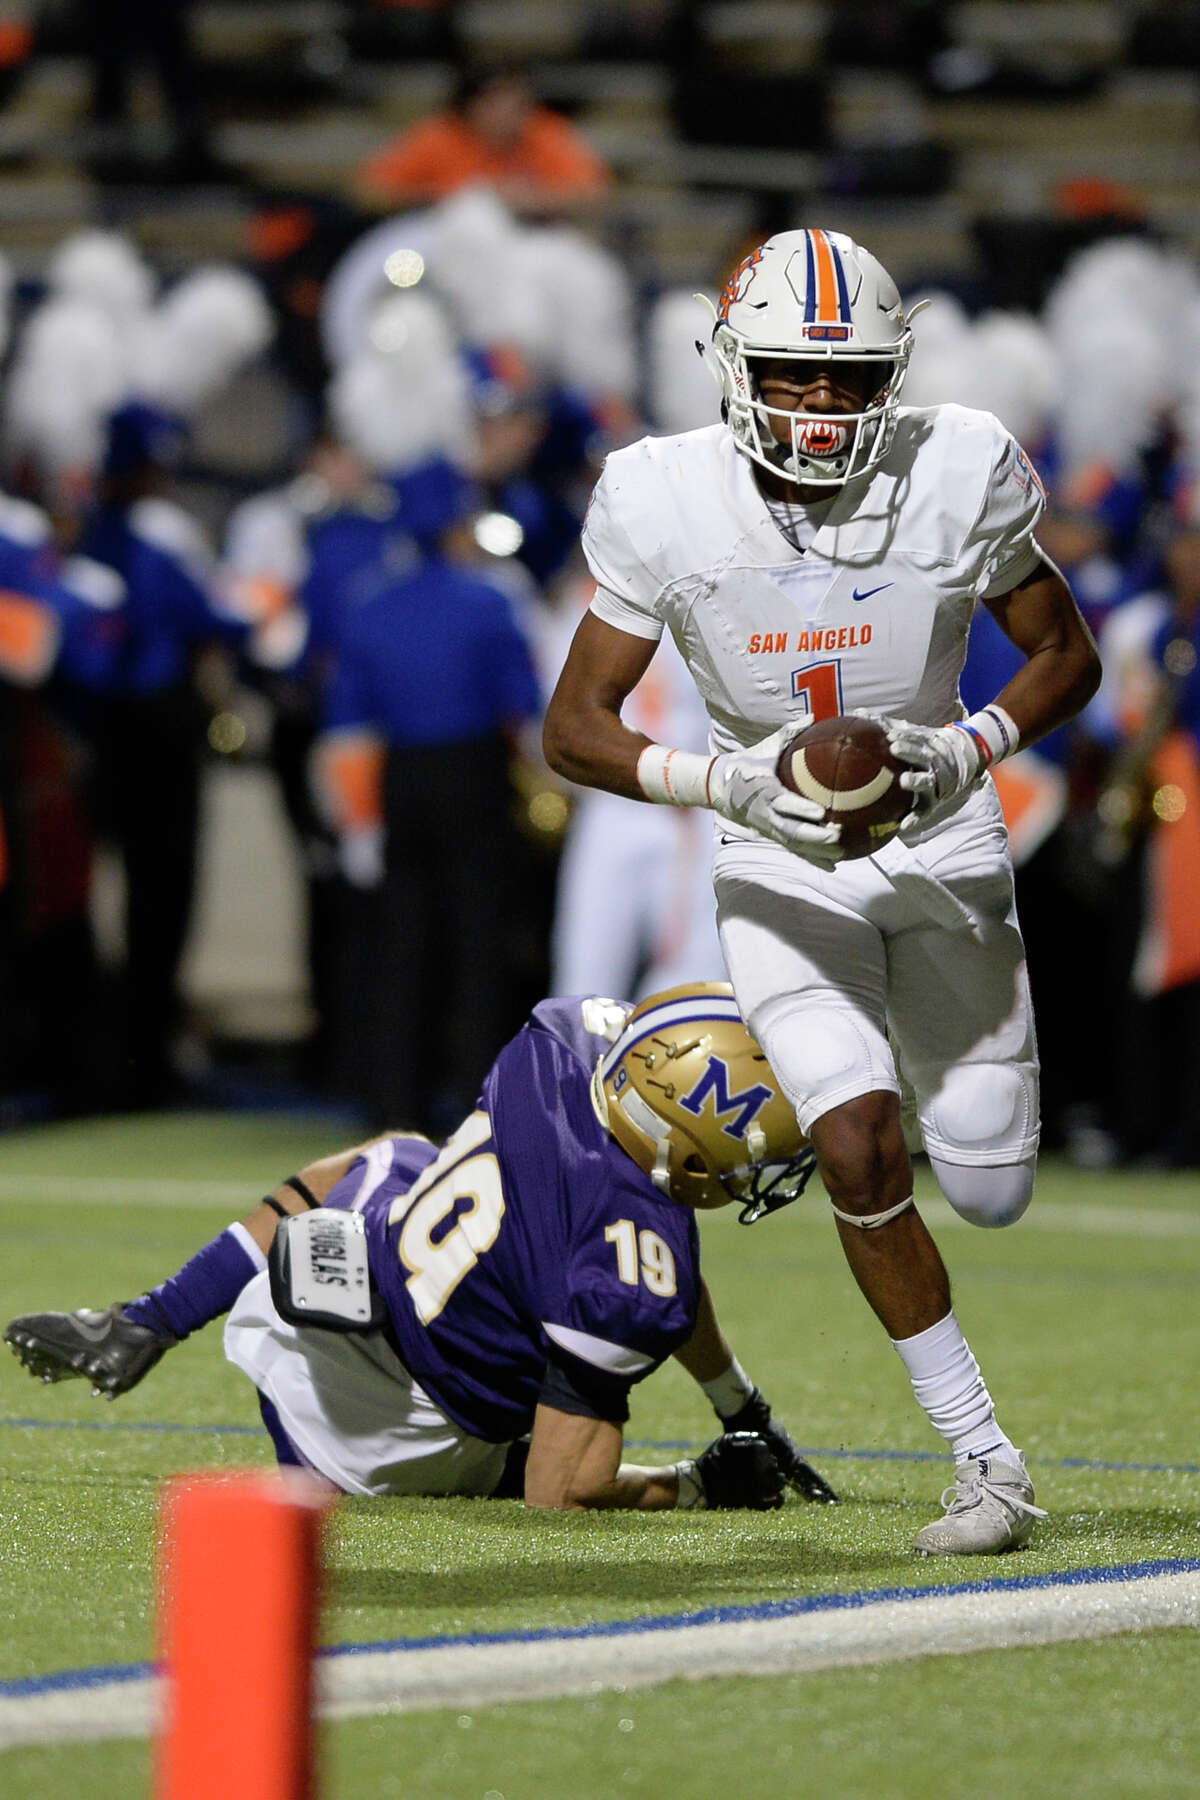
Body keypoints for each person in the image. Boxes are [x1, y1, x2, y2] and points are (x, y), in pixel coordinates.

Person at [543, 228, 1103, 1553]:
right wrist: (720, 782)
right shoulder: (659, 495)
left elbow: (1063, 654)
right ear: (736, 368)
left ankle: (972, 1090)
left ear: (891, 380)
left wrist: (967, 746)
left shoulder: (959, 467)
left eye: (849, 380)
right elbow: (575, 724)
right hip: (776, 856)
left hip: (946, 840)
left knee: (990, 1184)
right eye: (794, 374)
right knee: (855, 1142)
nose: (821, 405)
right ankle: (986, 1464)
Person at [5, 983, 838, 1513]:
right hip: (377, 1443)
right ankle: (469, 1458)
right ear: (684, 1148)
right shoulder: (629, 1266)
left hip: (335, 1304)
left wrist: (742, 1407)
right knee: (554, 1450)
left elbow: (670, 1272)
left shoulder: (561, 1044)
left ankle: (148, 1322)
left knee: (391, 1158)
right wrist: (696, 1486)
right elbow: (563, 1494)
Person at [355, 64, 611, 219]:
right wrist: (454, 198)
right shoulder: (439, 135)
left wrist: (525, 200)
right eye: (496, 104)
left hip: (530, 242)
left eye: (517, 104)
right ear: (470, 107)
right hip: (443, 240)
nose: (509, 114)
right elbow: (369, 191)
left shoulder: (544, 131)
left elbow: (592, 193)